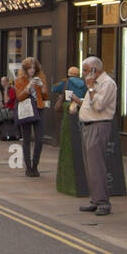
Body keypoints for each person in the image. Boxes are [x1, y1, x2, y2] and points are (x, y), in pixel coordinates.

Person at [77, 56, 119, 216]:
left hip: (99, 126)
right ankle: (94, 199)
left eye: (86, 70)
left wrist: (91, 88)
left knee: (97, 166)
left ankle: (103, 202)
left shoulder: (107, 84)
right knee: (90, 167)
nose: (84, 74)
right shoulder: (94, 85)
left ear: (95, 70)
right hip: (89, 126)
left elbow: (100, 105)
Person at [52, 67, 88, 196]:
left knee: (68, 138)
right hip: (82, 111)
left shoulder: (65, 82)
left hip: (69, 111)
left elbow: (54, 89)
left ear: (68, 74)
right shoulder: (84, 84)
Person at [14, 58, 50, 177]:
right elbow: (19, 97)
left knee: (39, 139)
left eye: (34, 68)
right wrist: (28, 86)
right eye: (29, 68)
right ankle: (28, 167)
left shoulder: (41, 77)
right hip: (26, 109)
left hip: (38, 108)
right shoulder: (20, 80)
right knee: (27, 139)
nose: (32, 70)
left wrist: (42, 86)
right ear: (25, 69)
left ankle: (35, 165)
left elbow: (45, 96)